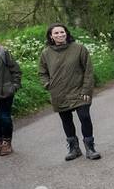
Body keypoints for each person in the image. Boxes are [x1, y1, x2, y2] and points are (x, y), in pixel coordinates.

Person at [39, 25, 100, 162]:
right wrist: (48, 85)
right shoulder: (46, 53)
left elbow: (88, 71)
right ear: (50, 36)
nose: (60, 34)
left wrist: (86, 90)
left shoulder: (79, 49)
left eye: (62, 32)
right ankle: (74, 149)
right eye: (56, 33)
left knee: (84, 117)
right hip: (59, 93)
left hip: (79, 90)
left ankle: (90, 148)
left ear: (66, 33)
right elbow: (42, 73)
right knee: (66, 120)